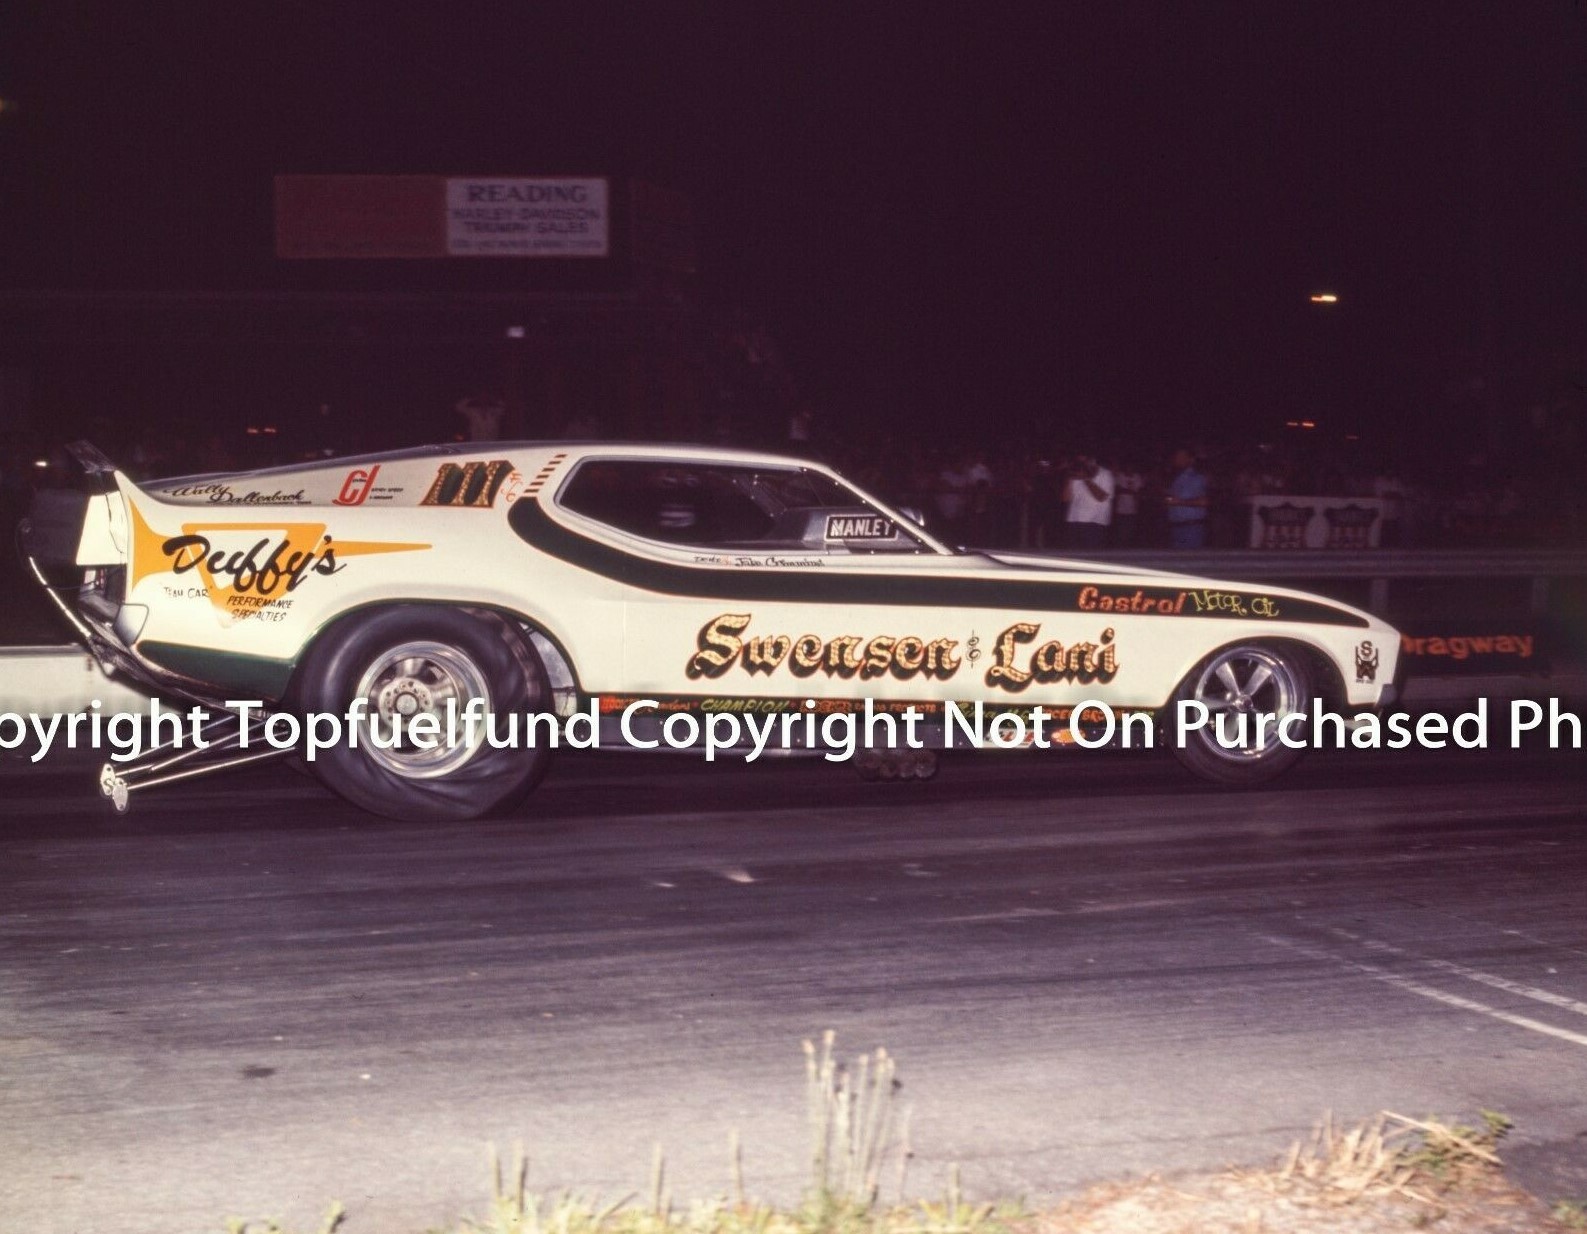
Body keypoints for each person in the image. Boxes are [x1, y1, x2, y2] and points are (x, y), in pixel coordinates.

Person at [1063, 452, 1114, 549]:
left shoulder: (1105, 474)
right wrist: (1068, 479)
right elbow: (1066, 498)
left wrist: (1086, 479)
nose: (1081, 465)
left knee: (1091, 558)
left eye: (1084, 462)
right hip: (1074, 520)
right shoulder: (1075, 474)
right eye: (1079, 462)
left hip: (1094, 523)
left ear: (1093, 461)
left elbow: (1101, 497)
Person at [1164, 447, 1209, 548]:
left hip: (1191, 528)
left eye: (1182, 457)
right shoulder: (1176, 479)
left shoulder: (1197, 478)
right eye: (1177, 457)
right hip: (1176, 527)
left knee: (1191, 560)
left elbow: (1204, 502)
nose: (1177, 459)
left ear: (1191, 460)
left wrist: (1179, 502)